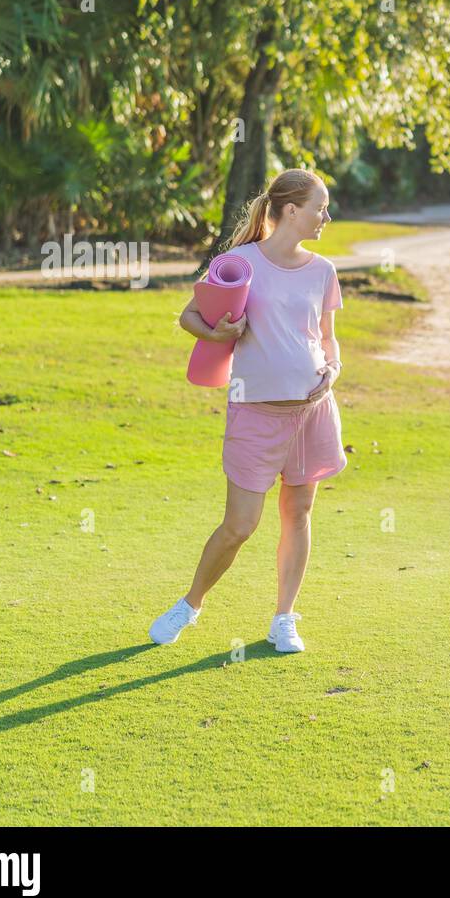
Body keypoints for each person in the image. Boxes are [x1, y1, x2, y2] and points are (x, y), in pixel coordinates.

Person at [149, 168, 346, 653]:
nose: (326, 216)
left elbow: (327, 338)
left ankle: (284, 619)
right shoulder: (239, 262)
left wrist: (334, 368)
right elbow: (189, 314)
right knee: (240, 525)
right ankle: (190, 605)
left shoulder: (323, 270)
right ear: (291, 210)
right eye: (320, 207)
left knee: (297, 513)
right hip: (256, 412)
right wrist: (217, 334)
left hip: (313, 409)